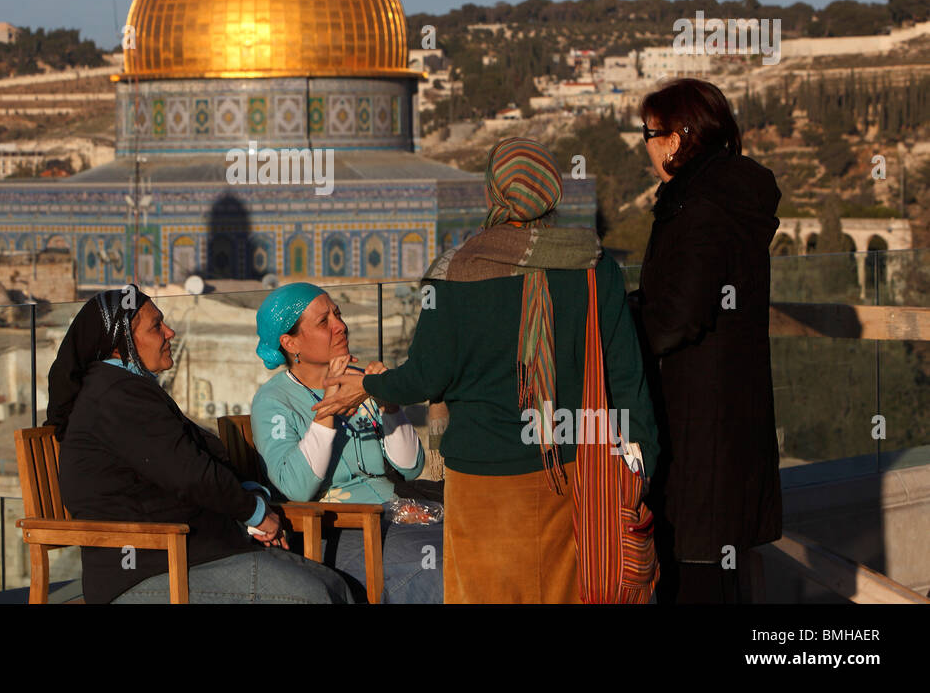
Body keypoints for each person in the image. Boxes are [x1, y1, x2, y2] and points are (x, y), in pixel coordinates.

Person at [316, 138, 659, 603]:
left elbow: (426, 378)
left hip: (484, 484)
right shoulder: (595, 267)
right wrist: (641, 468)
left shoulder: (457, 272)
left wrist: (369, 384)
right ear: (551, 193)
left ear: (493, 195)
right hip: (577, 472)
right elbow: (627, 380)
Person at [46, 287, 353, 604]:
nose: (170, 332)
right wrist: (256, 513)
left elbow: (184, 465)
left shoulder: (124, 389)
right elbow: (189, 472)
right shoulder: (115, 396)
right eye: (156, 327)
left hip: (193, 552)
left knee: (333, 584)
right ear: (119, 344)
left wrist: (249, 502)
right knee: (312, 595)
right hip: (148, 569)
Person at [633, 78, 782, 604]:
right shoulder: (724, 199)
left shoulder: (701, 208)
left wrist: (619, 338)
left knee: (695, 577)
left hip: (699, 435)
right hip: (725, 427)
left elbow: (676, 315)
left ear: (676, 140)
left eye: (648, 133)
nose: (645, 145)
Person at [251, 283, 444, 604]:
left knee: (480, 545)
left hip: (396, 516)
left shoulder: (358, 382)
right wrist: (327, 409)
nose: (341, 326)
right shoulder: (273, 401)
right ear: (290, 342)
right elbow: (297, 488)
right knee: (437, 564)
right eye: (323, 322)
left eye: (337, 314)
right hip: (338, 532)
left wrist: (388, 403)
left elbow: (411, 467)